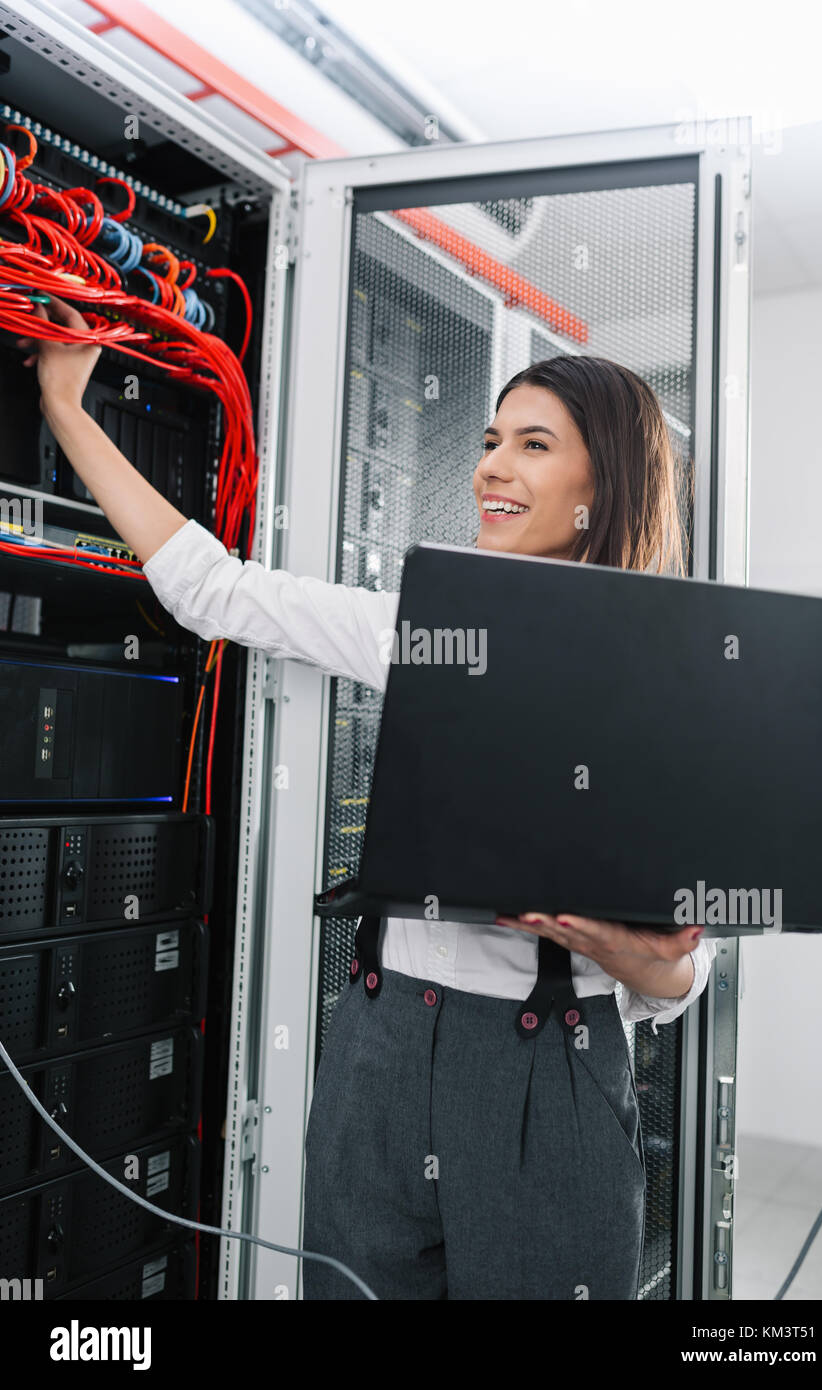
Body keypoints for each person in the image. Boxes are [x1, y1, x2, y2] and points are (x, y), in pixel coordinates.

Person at [17, 296, 715, 1301]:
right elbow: (210, 588)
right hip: (379, 1051)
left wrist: (625, 954)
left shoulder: (678, 689)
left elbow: (682, 973)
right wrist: (67, 407)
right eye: (487, 442)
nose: (488, 468)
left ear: (598, 487)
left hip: (542, 1066)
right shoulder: (425, 630)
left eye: (530, 444)